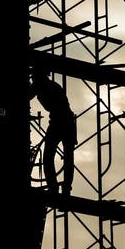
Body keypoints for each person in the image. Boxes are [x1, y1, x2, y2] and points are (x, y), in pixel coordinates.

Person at [31, 64, 76, 196]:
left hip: (60, 122)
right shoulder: (51, 85)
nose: (32, 79)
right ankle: (64, 188)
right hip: (66, 122)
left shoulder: (43, 86)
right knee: (67, 157)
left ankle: (55, 188)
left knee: (49, 157)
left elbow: (27, 95)